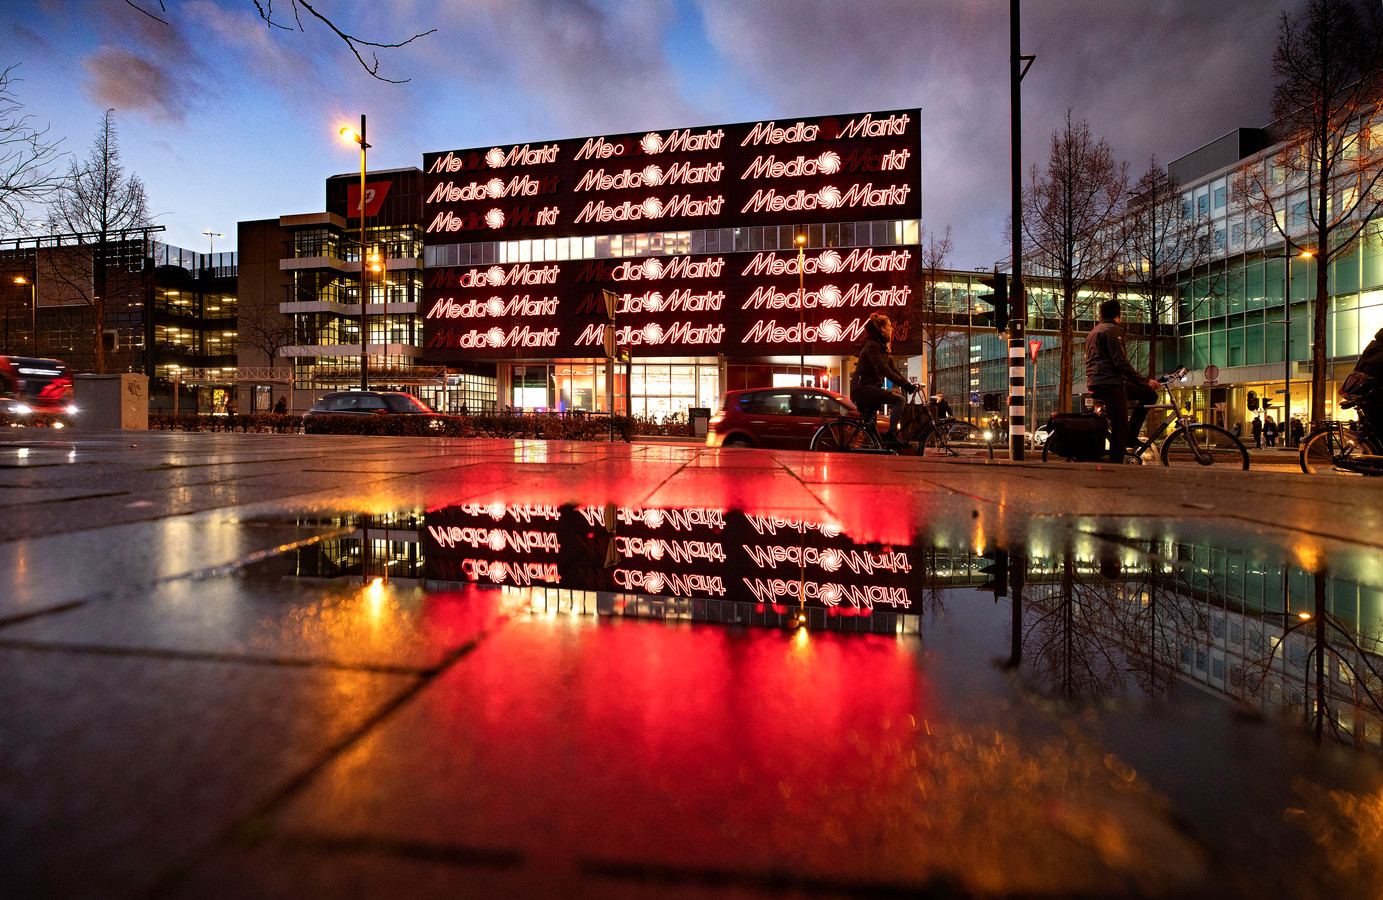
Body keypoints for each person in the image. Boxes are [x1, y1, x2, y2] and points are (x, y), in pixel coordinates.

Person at [1084, 299, 1160, 463]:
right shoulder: (1112, 330)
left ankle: (1130, 437)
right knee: (1121, 428)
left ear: (1101, 314)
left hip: (1096, 381)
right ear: (1118, 315)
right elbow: (1120, 362)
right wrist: (1144, 381)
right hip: (1110, 383)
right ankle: (1116, 467)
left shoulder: (1094, 331)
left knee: (1149, 395)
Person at [850, 312, 915, 449]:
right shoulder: (872, 346)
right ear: (882, 329)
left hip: (868, 389)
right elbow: (882, 368)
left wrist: (908, 384)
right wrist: (905, 385)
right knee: (899, 400)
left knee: (872, 434)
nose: (892, 329)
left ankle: (869, 450)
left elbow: (893, 369)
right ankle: (891, 434)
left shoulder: (881, 347)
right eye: (889, 326)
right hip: (863, 389)